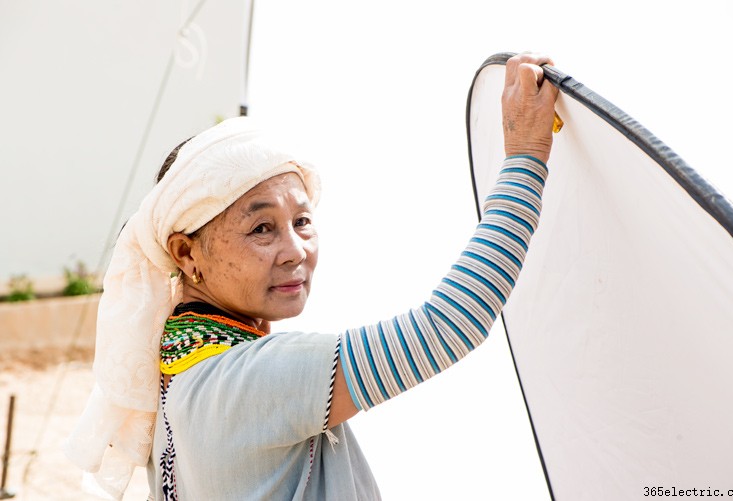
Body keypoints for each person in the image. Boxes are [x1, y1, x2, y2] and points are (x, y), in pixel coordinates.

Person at [64, 52, 559, 500]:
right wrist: (524, 157)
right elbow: (446, 327)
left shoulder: (179, 366)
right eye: (261, 229)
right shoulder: (249, 379)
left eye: (302, 221)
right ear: (186, 254)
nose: (295, 250)